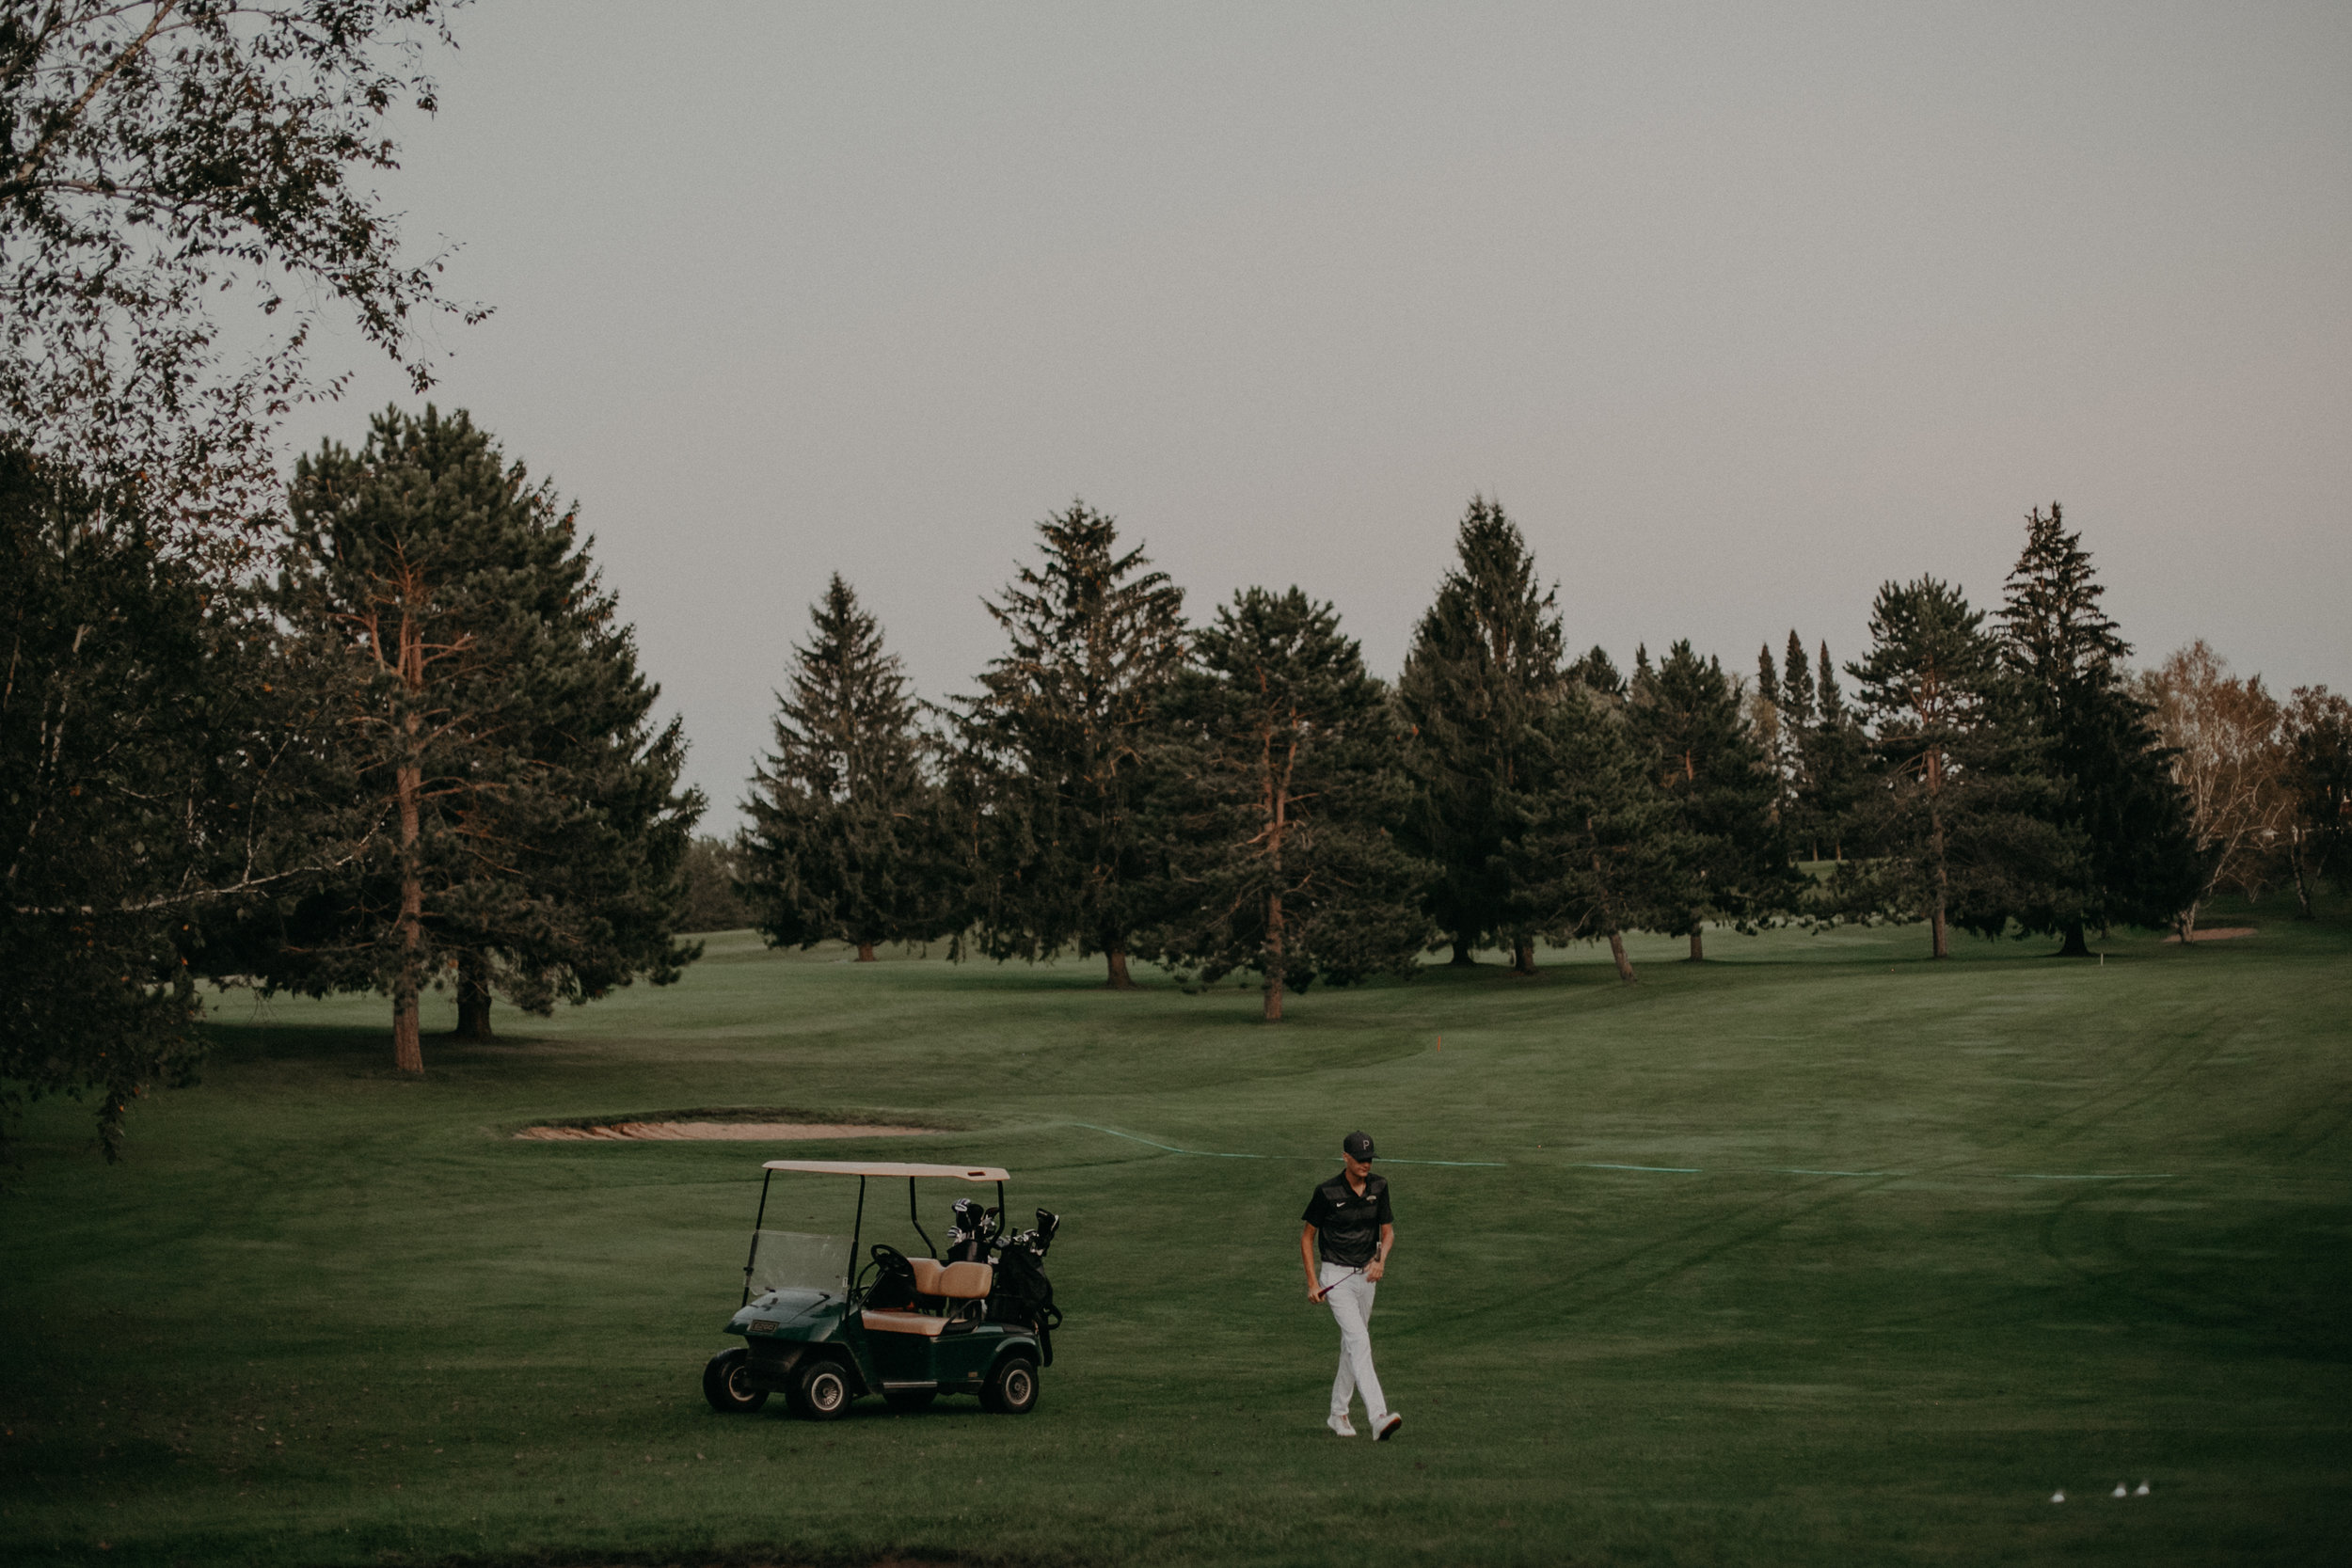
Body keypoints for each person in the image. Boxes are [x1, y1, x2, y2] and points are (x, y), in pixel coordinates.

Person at [1300, 1129, 1401, 1440]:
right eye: (1360, 1158)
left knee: (1351, 1346)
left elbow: (1387, 1232)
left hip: (1366, 1277)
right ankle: (1378, 1416)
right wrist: (1313, 1282)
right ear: (1345, 1157)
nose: (1365, 1164)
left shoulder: (1379, 1186)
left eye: (1369, 1158)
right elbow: (1307, 1237)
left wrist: (1380, 1260)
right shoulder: (1327, 1192)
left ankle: (1338, 1413)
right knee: (1359, 1341)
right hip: (1336, 1278)